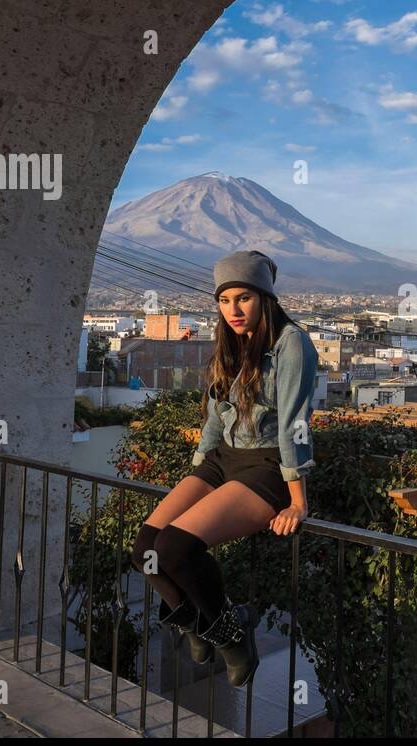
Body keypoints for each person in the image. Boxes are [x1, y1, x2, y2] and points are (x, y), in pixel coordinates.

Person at [128, 250, 318, 687]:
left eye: (244, 298)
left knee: (176, 548)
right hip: (223, 458)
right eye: (225, 300)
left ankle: (232, 634)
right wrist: (197, 471)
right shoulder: (231, 343)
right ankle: (195, 621)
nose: (233, 310)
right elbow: (215, 416)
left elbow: (294, 421)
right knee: (146, 551)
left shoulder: (291, 342)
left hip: (267, 465)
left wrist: (297, 501)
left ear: (265, 298)